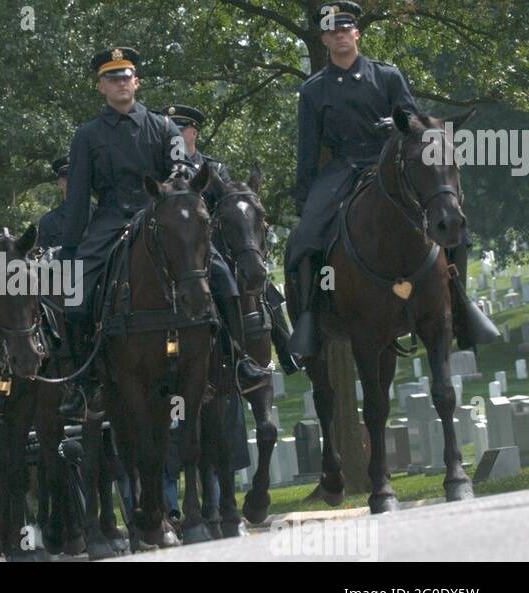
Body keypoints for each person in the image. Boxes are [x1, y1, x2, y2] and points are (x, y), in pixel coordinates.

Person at [57, 46, 268, 419]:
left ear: (136, 81)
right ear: (101, 86)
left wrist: (170, 204)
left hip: (159, 216)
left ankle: (239, 360)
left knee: (221, 275)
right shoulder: (86, 136)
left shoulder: (164, 127)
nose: (121, 83)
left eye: (126, 76)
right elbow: (76, 197)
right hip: (109, 222)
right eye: (112, 78)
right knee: (72, 290)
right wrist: (71, 249)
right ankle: (86, 382)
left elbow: (182, 173)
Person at [286, 2, 490, 356]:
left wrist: (397, 125)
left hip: (390, 161)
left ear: (356, 33)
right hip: (343, 166)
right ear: (325, 39)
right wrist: (306, 197)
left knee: (454, 224)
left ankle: (460, 305)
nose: (341, 36)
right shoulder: (313, 90)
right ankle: (307, 319)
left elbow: (414, 125)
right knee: (306, 236)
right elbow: (307, 149)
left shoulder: (388, 75)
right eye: (333, 32)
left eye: (346, 29)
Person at [163, 103, 274, 392]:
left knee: (256, 288)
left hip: (211, 247)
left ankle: (251, 356)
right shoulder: (160, 168)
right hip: (177, 249)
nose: (176, 134)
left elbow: (230, 211)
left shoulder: (213, 169)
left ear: (194, 133)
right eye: (171, 128)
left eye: (181, 128)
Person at [38, 156, 70, 249]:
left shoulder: (100, 217)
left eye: (77, 177)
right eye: (67, 179)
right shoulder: (48, 222)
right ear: (59, 183)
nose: (73, 182)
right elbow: (40, 258)